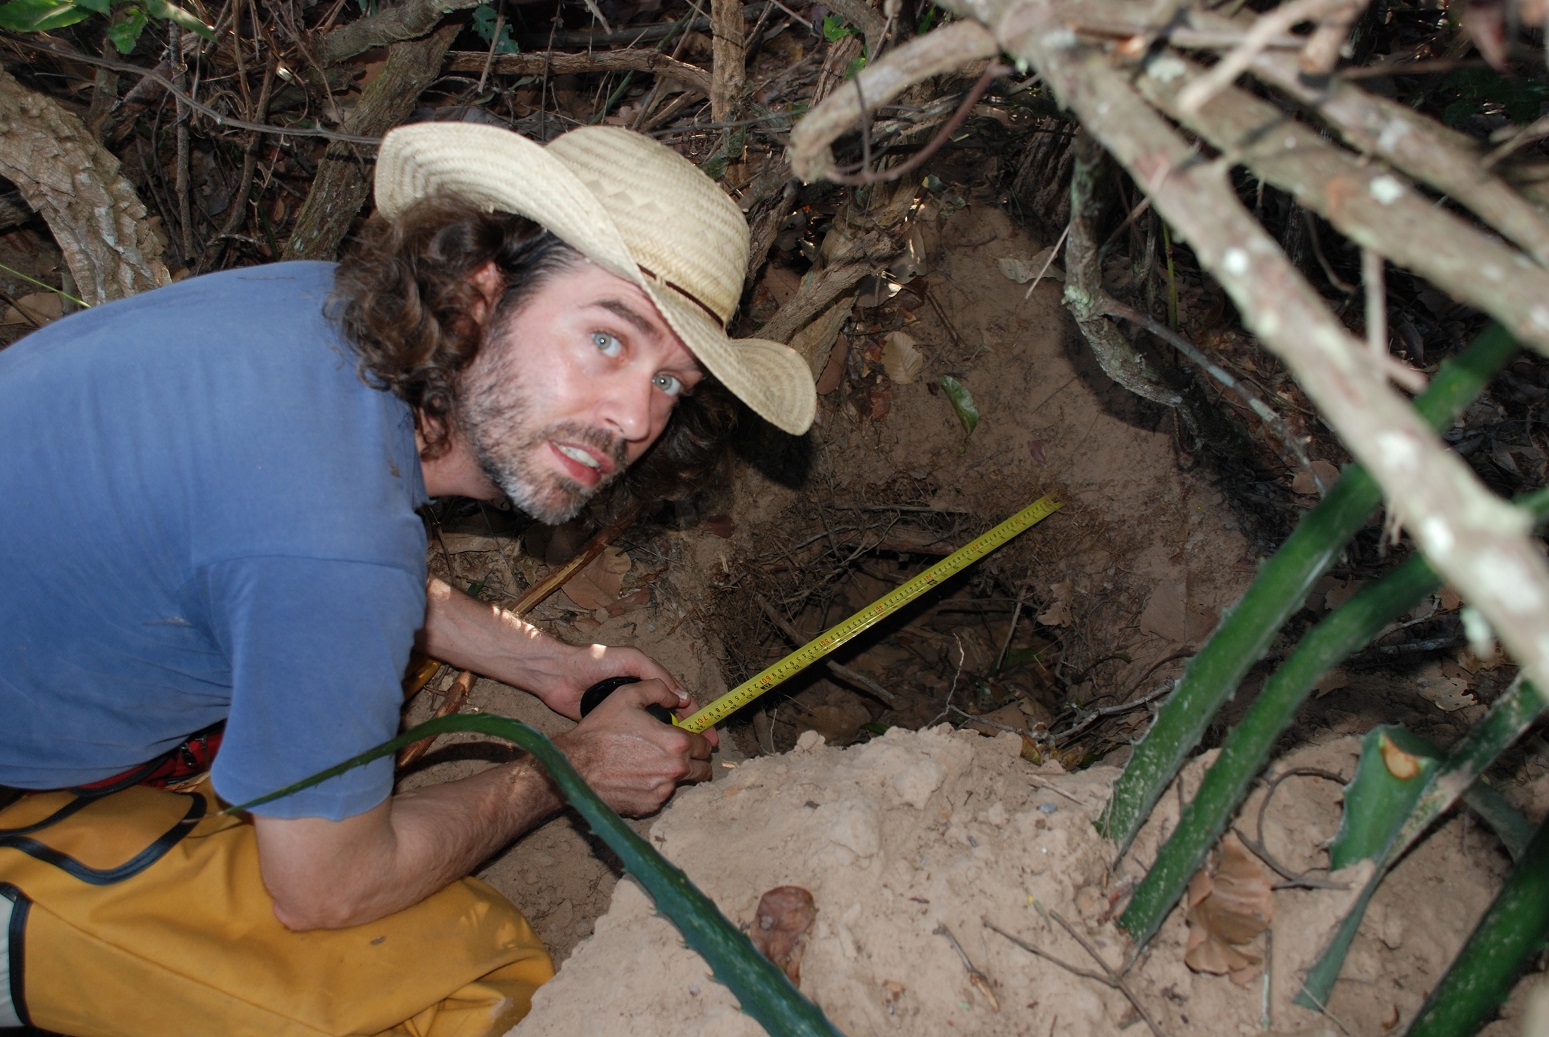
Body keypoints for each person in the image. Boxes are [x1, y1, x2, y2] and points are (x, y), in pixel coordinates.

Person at [0, 122, 816, 1036]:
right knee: (465, 972)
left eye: (671, 383)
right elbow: (326, 890)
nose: (633, 416)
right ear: (481, 292)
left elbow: (289, 559)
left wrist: (537, 661)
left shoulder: (319, 317)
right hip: (28, 791)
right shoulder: (334, 549)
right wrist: (569, 768)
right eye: (607, 340)